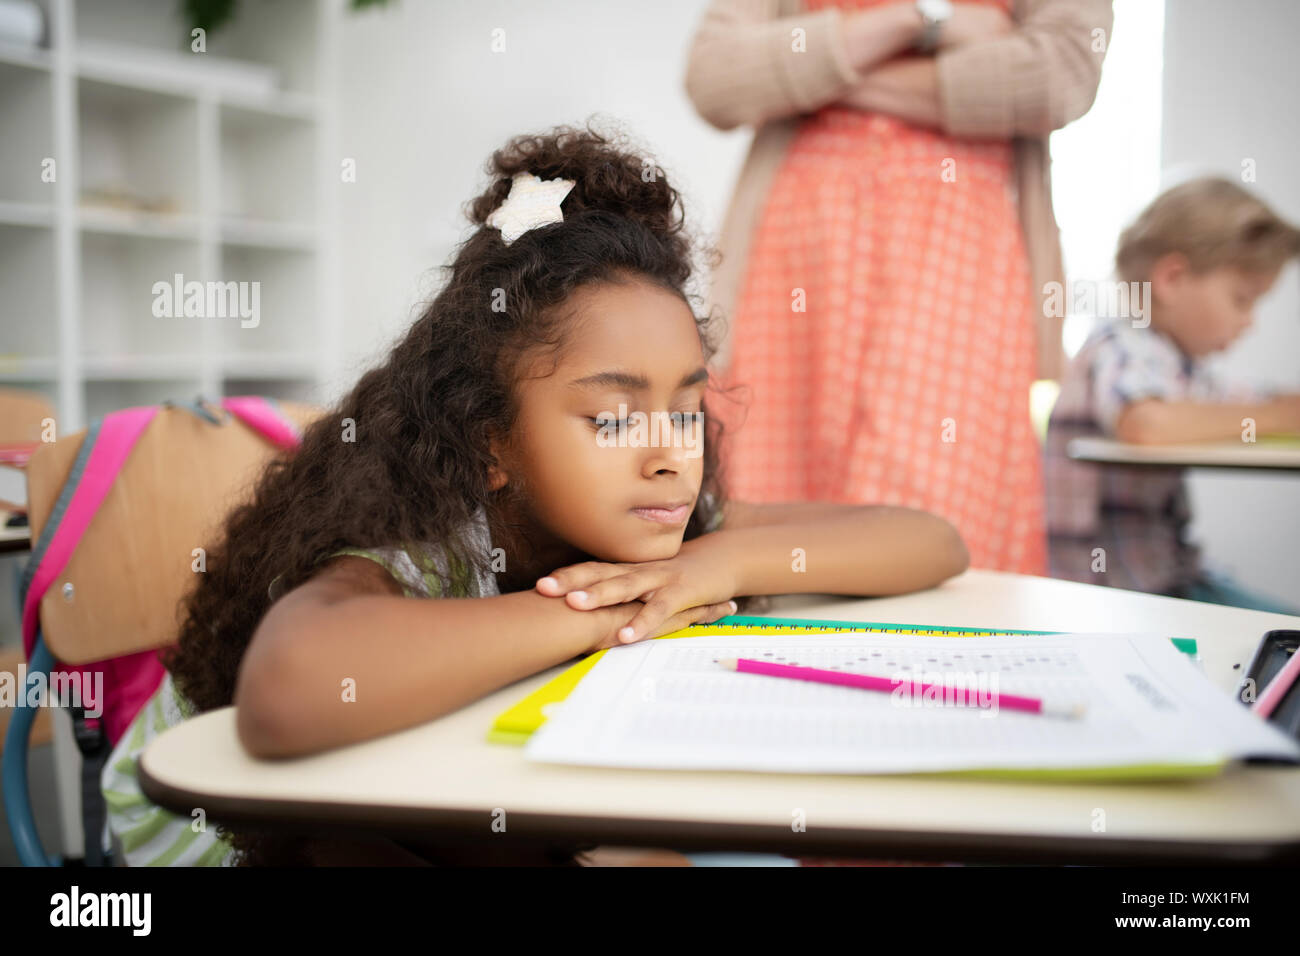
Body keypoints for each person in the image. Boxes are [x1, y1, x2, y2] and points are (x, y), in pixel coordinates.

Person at [101, 121, 970, 867]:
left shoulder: (660, 530)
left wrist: (715, 562)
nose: (670, 455)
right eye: (611, 420)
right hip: (225, 838)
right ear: (491, 444)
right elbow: (288, 690)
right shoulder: (432, 538)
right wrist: (603, 615)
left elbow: (930, 540)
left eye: (687, 409)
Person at [684, 0, 1113, 575]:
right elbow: (716, 79)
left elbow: (1060, 78)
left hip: (959, 261)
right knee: (771, 493)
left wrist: (820, 74)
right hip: (796, 255)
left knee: (936, 515)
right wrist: (918, 20)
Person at [1044, 177, 1300, 612]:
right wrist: (1276, 417)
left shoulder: (1178, 364)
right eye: (1242, 300)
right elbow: (1147, 425)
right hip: (1112, 593)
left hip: (1166, 579)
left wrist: (1278, 407)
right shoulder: (1122, 342)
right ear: (1171, 278)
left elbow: (1246, 401)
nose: (1249, 322)